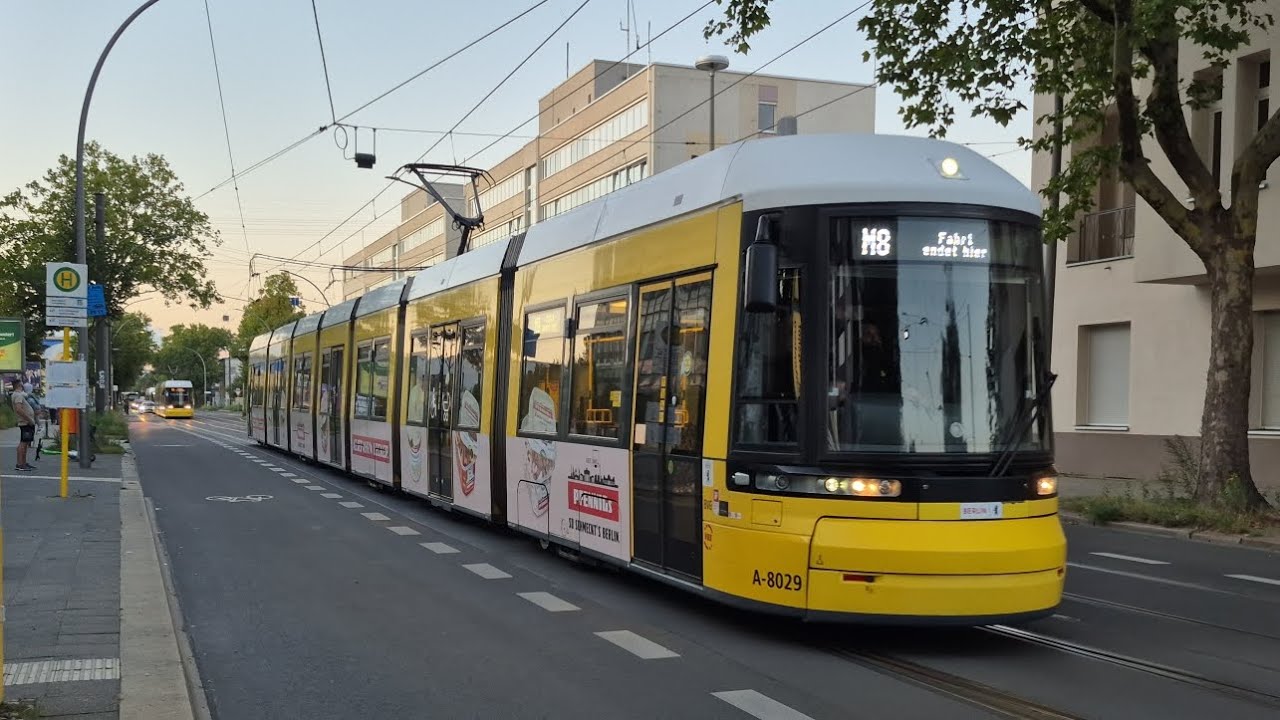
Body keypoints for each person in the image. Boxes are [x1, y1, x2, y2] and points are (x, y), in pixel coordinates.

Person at [10, 378, 36, 471]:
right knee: (23, 443)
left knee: (25, 443)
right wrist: (29, 419)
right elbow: (18, 409)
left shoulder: (17, 395)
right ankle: (20, 464)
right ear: (20, 385)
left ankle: (23, 463)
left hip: (26, 422)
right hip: (25, 422)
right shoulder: (18, 395)